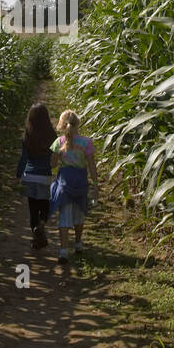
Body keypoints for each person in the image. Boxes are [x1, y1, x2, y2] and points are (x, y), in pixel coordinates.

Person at [49, 109, 98, 264]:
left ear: (62, 125)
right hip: (80, 180)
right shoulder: (87, 143)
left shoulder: (59, 142)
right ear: (78, 124)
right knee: (79, 213)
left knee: (64, 215)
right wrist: (95, 184)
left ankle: (63, 251)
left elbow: (53, 164)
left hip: (65, 181)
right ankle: (77, 242)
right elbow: (91, 165)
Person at [16, 103, 56, 250]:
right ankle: (41, 225)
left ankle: (35, 237)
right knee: (44, 207)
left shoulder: (27, 136)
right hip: (44, 177)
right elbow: (54, 158)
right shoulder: (52, 136)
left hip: (29, 177)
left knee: (33, 209)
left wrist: (18, 175)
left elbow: (23, 159)